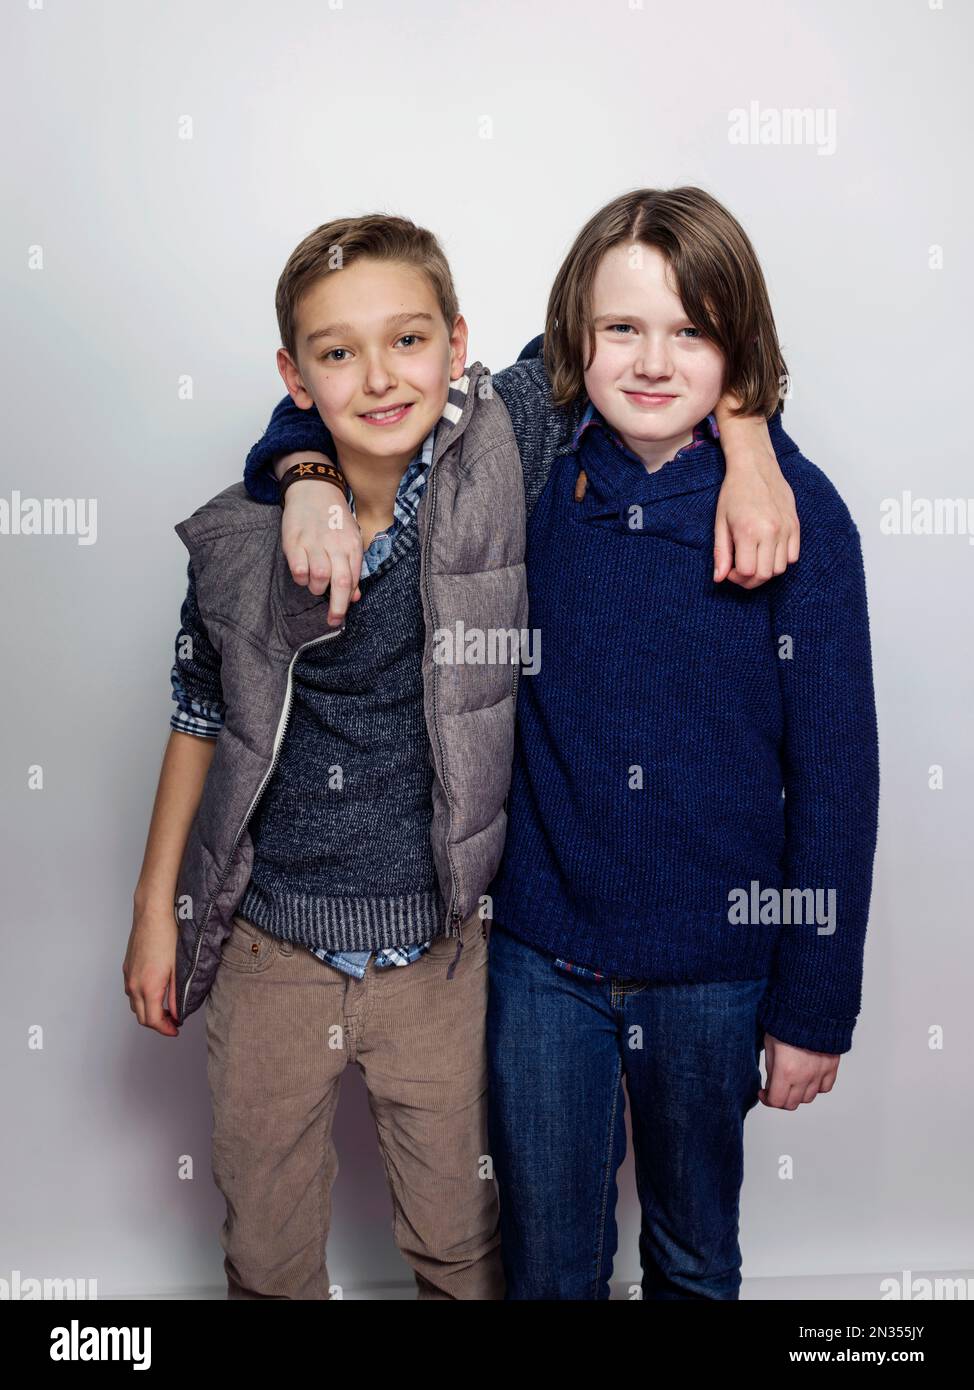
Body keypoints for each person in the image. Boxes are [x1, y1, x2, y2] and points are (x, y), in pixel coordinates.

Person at [124, 213, 531, 1299]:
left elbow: (604, 344)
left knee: (458, 1241)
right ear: (291, 375)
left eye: (407, 341)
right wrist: (152, 913)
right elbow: (196, 718)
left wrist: (741, 446)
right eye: (336, 352)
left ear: (454, 341)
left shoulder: (496, 466)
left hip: (437, 957)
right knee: (266, 1251)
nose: (379, 375)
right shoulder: (236, 541)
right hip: (271, 957)